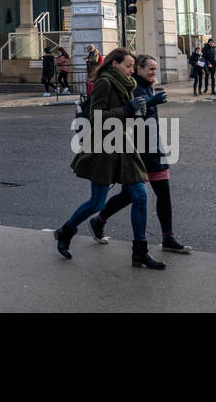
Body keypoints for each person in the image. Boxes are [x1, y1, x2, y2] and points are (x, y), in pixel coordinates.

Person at [53, 47, 168, 269]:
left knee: (140, 196)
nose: (132, 70)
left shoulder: (128, 84)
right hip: (104, 145)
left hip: (123, 143)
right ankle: (64, 232)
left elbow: (130, 116)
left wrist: (148, 104)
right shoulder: (105, 82)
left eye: (133, 66)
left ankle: (140, 253)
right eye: (128, 65)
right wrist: (127, 108)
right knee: (97, 201)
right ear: (114, 64)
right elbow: (96, 116)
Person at [87, 54, 191, 254]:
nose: (153, 72)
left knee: (163, 192)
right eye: (150, 69)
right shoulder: (133, 88)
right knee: (128, 195)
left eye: (155, 69)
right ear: (140, 70)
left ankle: (167, 237)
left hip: (153, 147)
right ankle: (98, 221)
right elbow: (132, 118)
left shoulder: (148, 86)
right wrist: (150, 102)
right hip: (137, 149)